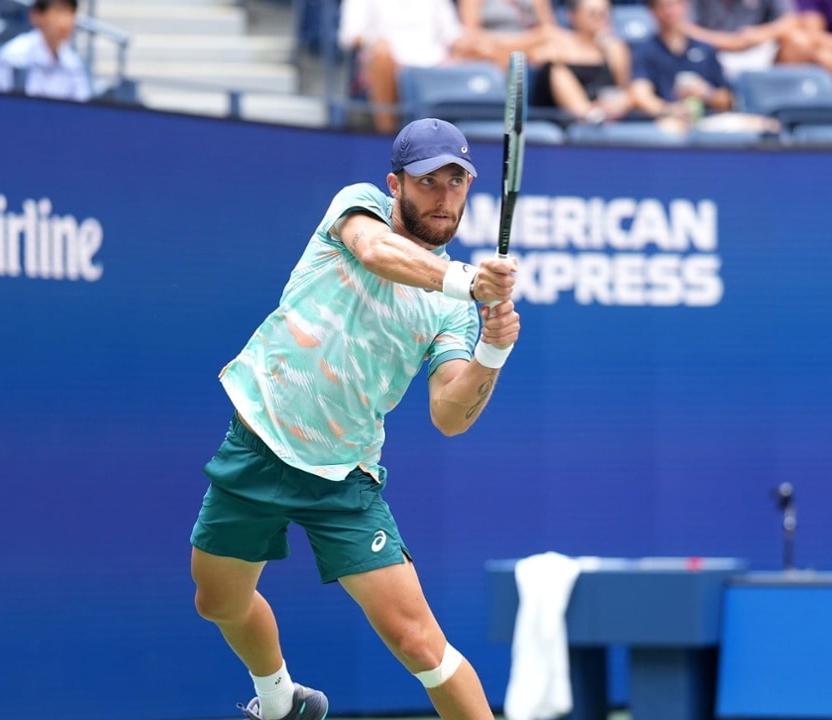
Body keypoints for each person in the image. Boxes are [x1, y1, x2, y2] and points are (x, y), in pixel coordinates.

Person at [189, 117, 520, 720]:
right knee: (216, 601)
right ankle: (280, 700)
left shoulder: (452, 311)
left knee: (419, 643)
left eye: (457, 182)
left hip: (345, 477)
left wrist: (491, 352)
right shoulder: (358, 208)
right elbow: (377, 252)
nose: (445, 198)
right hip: (259, 441)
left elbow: (449, 413)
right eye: (428, 183)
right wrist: (467, 280)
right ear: (396, 184)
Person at [338, 0, 480, 134]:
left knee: (483, 50)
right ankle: (389, 137)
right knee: (381, 57)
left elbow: (452, 33)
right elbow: (350, 35)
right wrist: (375, 41)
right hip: (388, 64)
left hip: (436, 64)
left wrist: (479, 46)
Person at [630, 0, 734, 132]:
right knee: (670, 129)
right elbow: (641, 96)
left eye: (674, 5)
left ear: (685, 6)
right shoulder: (644, 51)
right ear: (652, 11)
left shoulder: (704, 48)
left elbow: (727, 99)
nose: (669, 11)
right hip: (666, 121)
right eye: (662, 6)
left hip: (707, 120)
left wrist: (706, 93)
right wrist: (670, 110)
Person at [533, 0, 636, 124]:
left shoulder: (614, 48)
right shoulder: (557, 44)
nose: (599, 18)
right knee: (556, 69)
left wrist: (619, 103)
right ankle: (589, 114)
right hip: (565, 116)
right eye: (593, 13)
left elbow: (623, 87)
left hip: (606, 111)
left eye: (603, 13)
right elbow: (536, 58)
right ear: (573, 16)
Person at [0, 0, 91, 101]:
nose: (66, 21)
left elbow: (82, 105)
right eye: (59, 11)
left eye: (71, 13)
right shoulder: (15, 54)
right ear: (37, 16)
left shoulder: (73, 63)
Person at [686, 0, 811, 79]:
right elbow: (683, 26)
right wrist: (727, 41)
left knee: (799, 40)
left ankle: (787, 106)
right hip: (712, 53)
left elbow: (791, 19)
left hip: (758, 51)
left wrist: (762, 33)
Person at [456, 0, 560, 67]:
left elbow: (549, 32)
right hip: (489, 52)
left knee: (549, 53)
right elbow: (470, 35)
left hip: (528, 51)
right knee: (479, 49)